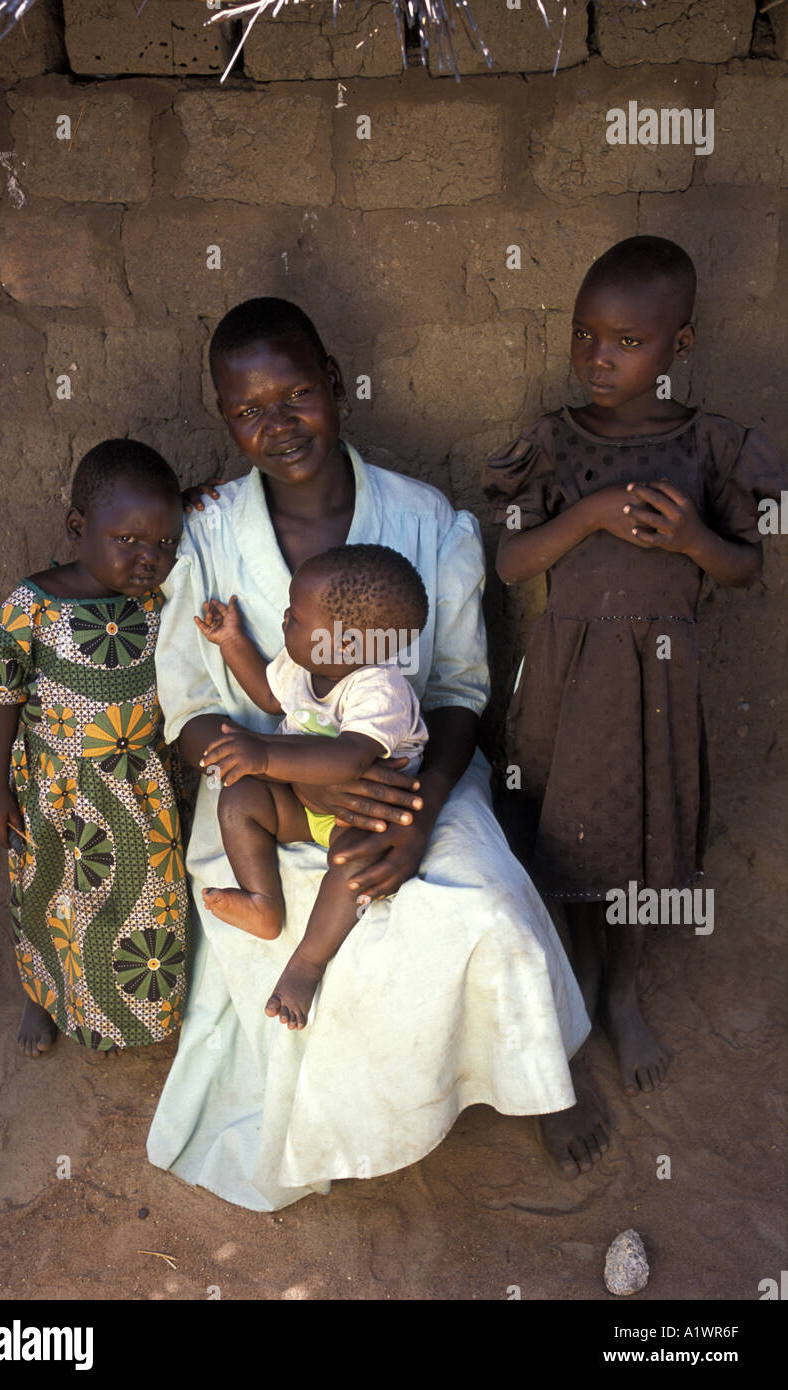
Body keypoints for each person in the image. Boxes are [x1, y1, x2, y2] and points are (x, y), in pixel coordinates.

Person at [146, 295, 599, 1213]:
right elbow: (190, 707)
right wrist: (259, 756)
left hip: (408, 777)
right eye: (247, 409)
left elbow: (462, 694)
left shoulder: (427, 520)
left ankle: (539, 1074)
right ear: (225, 422)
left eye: (297, 394)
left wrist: (420, 808)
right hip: (261, 793)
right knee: (315, 972)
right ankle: (355, 1114)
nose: (277, 424)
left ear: (339, 388)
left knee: (495, 909)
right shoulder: (208, 531)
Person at [483, 236, 785, 1097]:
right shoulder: (554, 443)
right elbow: (511, 564)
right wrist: (590, 515)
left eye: (625, 341)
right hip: (567, 683)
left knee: (642, 838)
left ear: (679, 348)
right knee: (568, 836)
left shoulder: (712, 446)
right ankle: (580, 976)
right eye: (584, 336)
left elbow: (745, 565)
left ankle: (622, 992)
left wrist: (693, 537)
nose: (597, 357)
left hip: (658, 684)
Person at [0, 440, 190, 1058]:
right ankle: (45, 997)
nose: (151, 558)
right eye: (130, 542)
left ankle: (131, 1016)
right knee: (50, 900)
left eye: (166, 543)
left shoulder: (160, 600)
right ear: (77, 527)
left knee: (141, 904)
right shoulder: (35, 602)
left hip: (137, 785)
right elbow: (0, 695)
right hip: (51, 792)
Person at [194, 542, 429, 1029]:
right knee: (239, 794)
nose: (284, 620)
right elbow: (266, 694)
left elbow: (349, 758)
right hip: (302, 805)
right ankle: (263, 903)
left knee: (354, 863)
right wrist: (231, 640)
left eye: (296, 618)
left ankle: (306, 963)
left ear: (344, 645)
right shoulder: (303, 665)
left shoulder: (379, 688)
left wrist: (264, 753)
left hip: (361, 816)